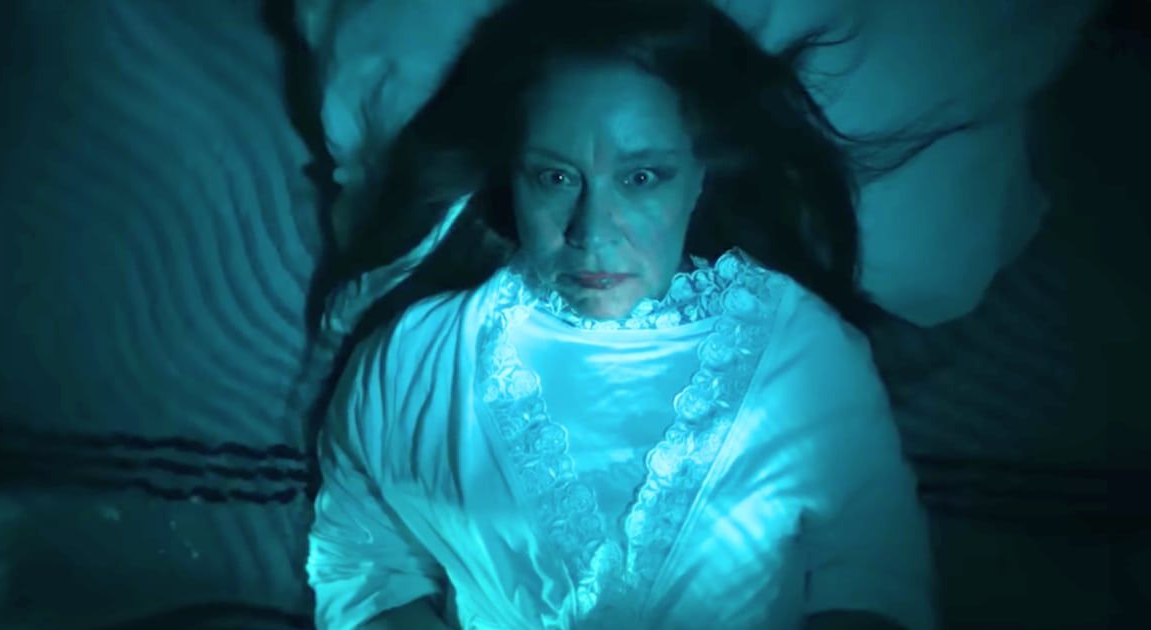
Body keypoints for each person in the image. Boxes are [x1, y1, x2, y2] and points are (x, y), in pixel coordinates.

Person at [306, 1, 935, 628]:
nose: (592, 232)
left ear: (700, 174)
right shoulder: (415, 359)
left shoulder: (806, 355)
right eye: (556, 178)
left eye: (640, 178)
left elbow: (875, 586)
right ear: (513, 176)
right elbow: (364, 565)